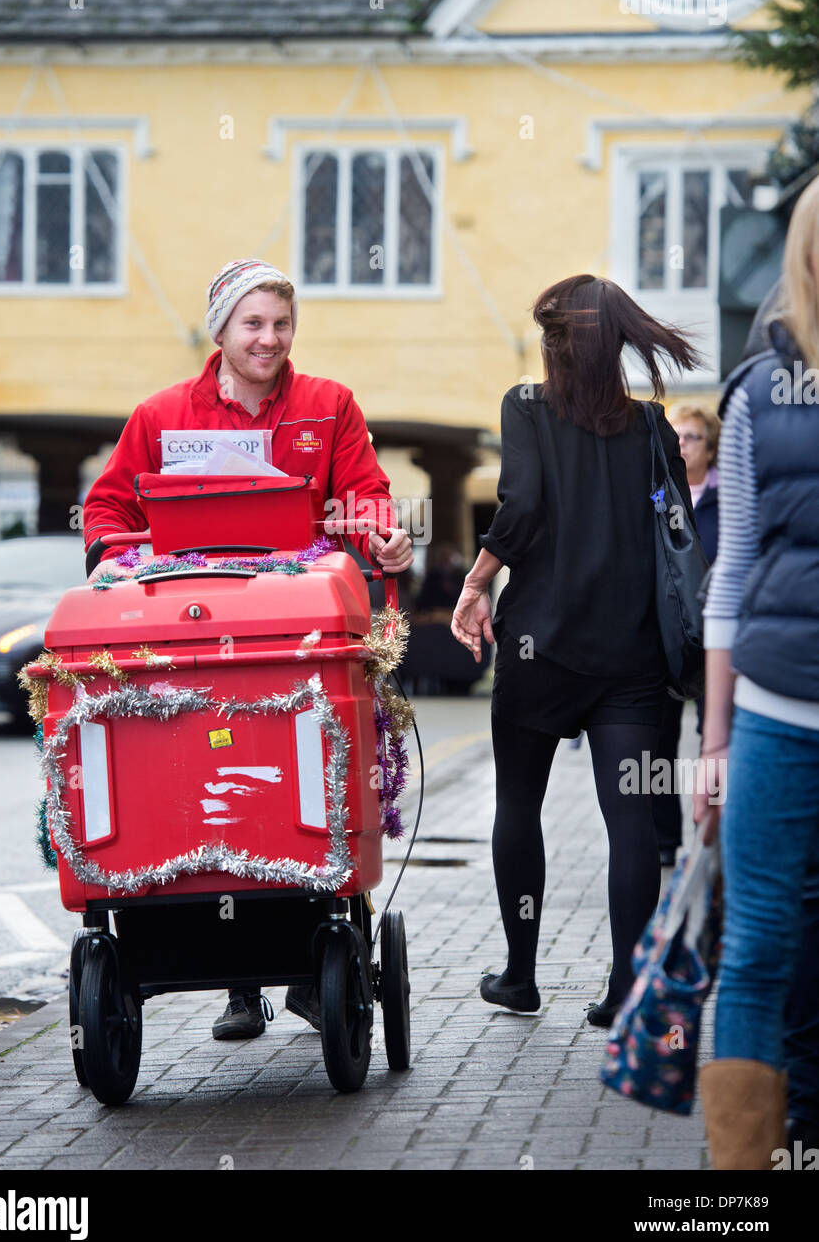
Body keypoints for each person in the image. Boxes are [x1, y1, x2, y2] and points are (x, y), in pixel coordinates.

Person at [83, 257, 413, 1041]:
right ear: (221, 330)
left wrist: (381, 531)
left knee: (315, 777)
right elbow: (108, 502)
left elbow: (362, 492)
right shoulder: (164, 415)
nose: (270, 339)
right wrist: (104, 548)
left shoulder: (328, 406)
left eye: (281, 324)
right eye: (253, 324)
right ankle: (240, 982)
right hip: (197, 628)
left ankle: (322, 944)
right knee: (210, 770)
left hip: (300, 630)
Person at [451, 274, 700, 1026]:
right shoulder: (655, 430)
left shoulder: (526, 409)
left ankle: (521, 976)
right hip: (633, 659)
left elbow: (521, 505)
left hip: (540, 649)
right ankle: (627, 987)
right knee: (631, 824)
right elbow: (680, 530)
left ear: (559, 343)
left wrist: (477, 580)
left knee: (519, 805)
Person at [695, 176, 819, 1169]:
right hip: (777, 712)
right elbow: (730, 570)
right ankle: (742, 1179)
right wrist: (715, 741)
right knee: (757, 943)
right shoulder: (758, 391)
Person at [651, 402, 720, 865]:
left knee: (714, 733)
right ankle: (663, 843)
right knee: (658, 739)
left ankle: (710, 832)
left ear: (710, 447)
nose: (681, 444)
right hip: (669, 633)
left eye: (691, 436)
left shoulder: (730, 495)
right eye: (674, 434)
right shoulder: (657, 497)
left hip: (718, 634)